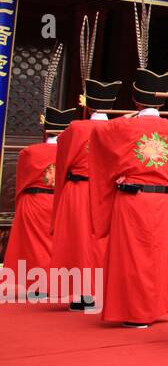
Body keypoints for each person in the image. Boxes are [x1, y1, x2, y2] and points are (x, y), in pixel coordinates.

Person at [88, 68, 168, 327]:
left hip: (131, 199)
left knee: (132, 256)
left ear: (136, 99)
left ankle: (135, 311)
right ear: (162, 100)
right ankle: (155, 306)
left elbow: (97, 139)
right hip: (163, 201)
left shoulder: (121, 126)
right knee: (158, 254)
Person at [50, 78, 121, 310]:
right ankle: (101, 292)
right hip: (106, 191)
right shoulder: (118, 128)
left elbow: (62, 162)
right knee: (100, 242)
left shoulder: (75, 129)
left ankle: (81, 294)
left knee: (78, 240)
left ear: (87, 105)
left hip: (78, 190)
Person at [7, 106, 76, 299]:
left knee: (35, 244)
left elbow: (21, 179)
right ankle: (57, 283)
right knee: (56, 243)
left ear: (46, 130)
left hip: (35, 200)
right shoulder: (71, 152)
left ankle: (39, 285)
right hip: (59, 201)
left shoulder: (30, 152)